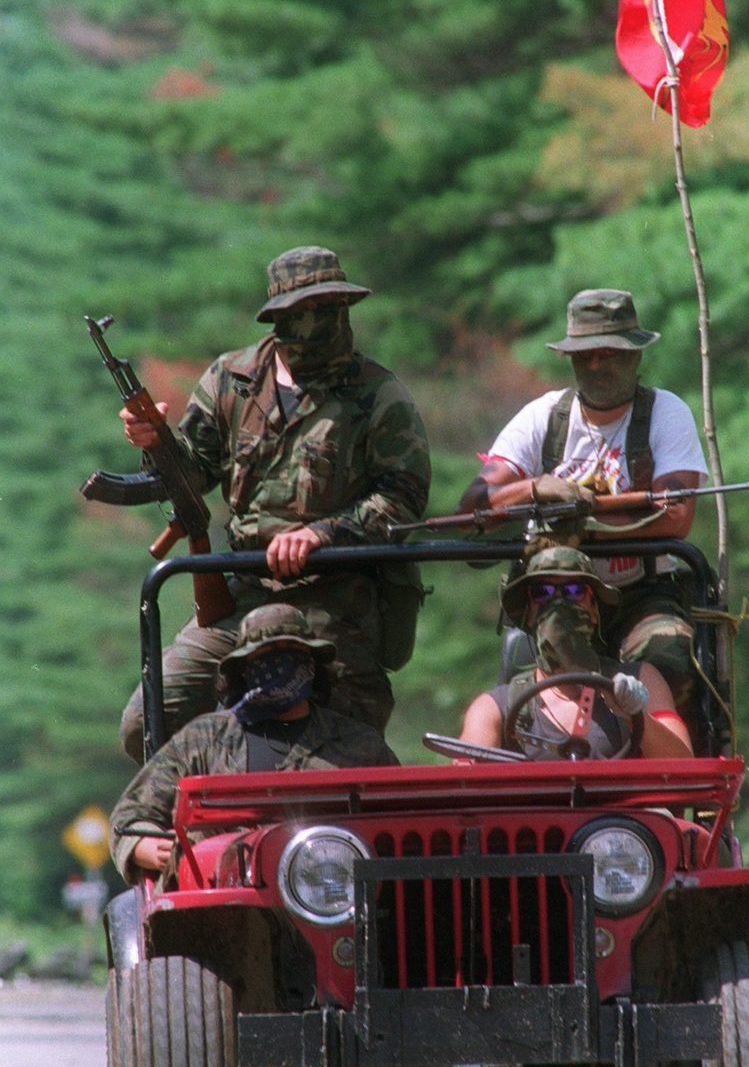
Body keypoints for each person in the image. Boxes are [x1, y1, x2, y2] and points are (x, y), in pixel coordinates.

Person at [118, 245, 431, 764]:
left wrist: (324, 534)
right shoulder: (232, 380)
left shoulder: (377, 395)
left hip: (334, 601)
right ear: (278, 319)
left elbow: (403, 497)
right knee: (148, 721)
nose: (313, 327)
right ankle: (205, 809)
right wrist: (157, 444)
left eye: (326, 312)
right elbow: (194, 473)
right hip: (243, 594)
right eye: (299, 316)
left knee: (343, 745)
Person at [458, 289, 708, 720]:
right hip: (554, 592)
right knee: (540, 679)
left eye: (608, 353)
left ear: (635, 356)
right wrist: (535, 488)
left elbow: (677, 515)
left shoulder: (666, 413)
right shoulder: (542, 417)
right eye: (584, 354)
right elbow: (473, 508)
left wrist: (583, 527)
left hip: (641, 595)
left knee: (669, 658)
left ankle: (666, 773)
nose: (595, 365)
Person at [111, 604, 398, 882]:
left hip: (332, 897)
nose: (279, 664)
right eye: (265, 655)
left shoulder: (358, 743)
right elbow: (130, 816)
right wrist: (145, 846)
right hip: (223, 903)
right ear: (245, 670)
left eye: (291, 653)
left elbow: (402, 816)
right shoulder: (203, 739)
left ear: (312, 663)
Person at [459, 548, 691, 759]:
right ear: (529, 612)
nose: (558, 602)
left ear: (593, 609)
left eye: (574, 591)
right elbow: (462, 785)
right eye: (543, 592)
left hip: (623, 806)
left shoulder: (641, 680)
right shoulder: (495, 707)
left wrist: (635, 716)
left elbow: (683, 769)